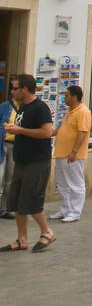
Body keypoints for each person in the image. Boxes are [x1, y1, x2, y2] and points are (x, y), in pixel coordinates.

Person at [1, 75, 55, 252]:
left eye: (15, 88)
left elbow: (47, 133)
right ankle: (21, 239)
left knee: (31, 201)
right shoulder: (22, 108)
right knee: (16, 202)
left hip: (37, 161)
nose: (12, 91)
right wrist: (13, 130)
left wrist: (20, 130)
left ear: (24, 89)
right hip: (22, 160)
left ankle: (47, 232)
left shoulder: (40, 108)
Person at [50, 85, 92, 222]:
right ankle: (65, 209)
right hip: (61, 153)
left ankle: (75, 212)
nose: (65, 98)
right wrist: (51, 133)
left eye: (67, 95)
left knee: (76, 184)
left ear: (74, 97)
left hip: (73, 155)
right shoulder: (70, 110)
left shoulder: (83, 112)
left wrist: (74, 151)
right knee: (62, 183)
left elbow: (82, 132)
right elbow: (62, 128)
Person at [0, 78, 19, 219]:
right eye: (13, 89)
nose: (14, 91)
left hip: (16, 146)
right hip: (2, 144)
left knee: (10, 178)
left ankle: (5, 209)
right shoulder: (4, 106)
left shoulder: (26, 108)